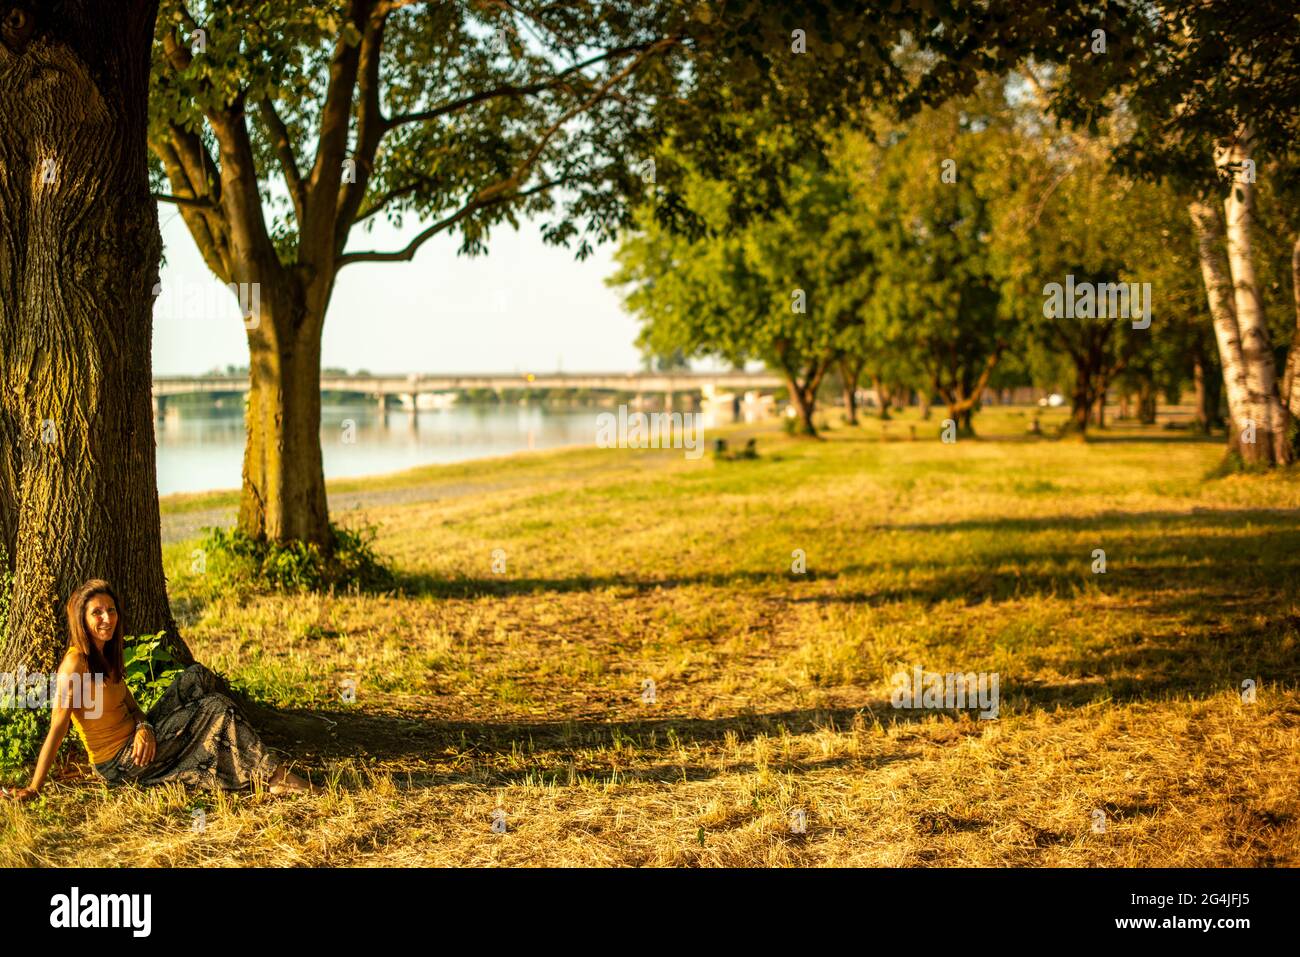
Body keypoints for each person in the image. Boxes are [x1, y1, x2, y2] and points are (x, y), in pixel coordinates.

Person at [1, 579, 317, 801]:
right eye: (97, 612)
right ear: (81, 619)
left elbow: (133, 707)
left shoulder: (109, 653)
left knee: (196, 677)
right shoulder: (76, 665)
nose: (107, 618)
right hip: (120, 762)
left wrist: (145, 727)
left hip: (137, 739)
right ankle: (274, 777)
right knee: (216, 707)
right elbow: (58, 727)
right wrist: (34, 787)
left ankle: (233, 750)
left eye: (111, 610)